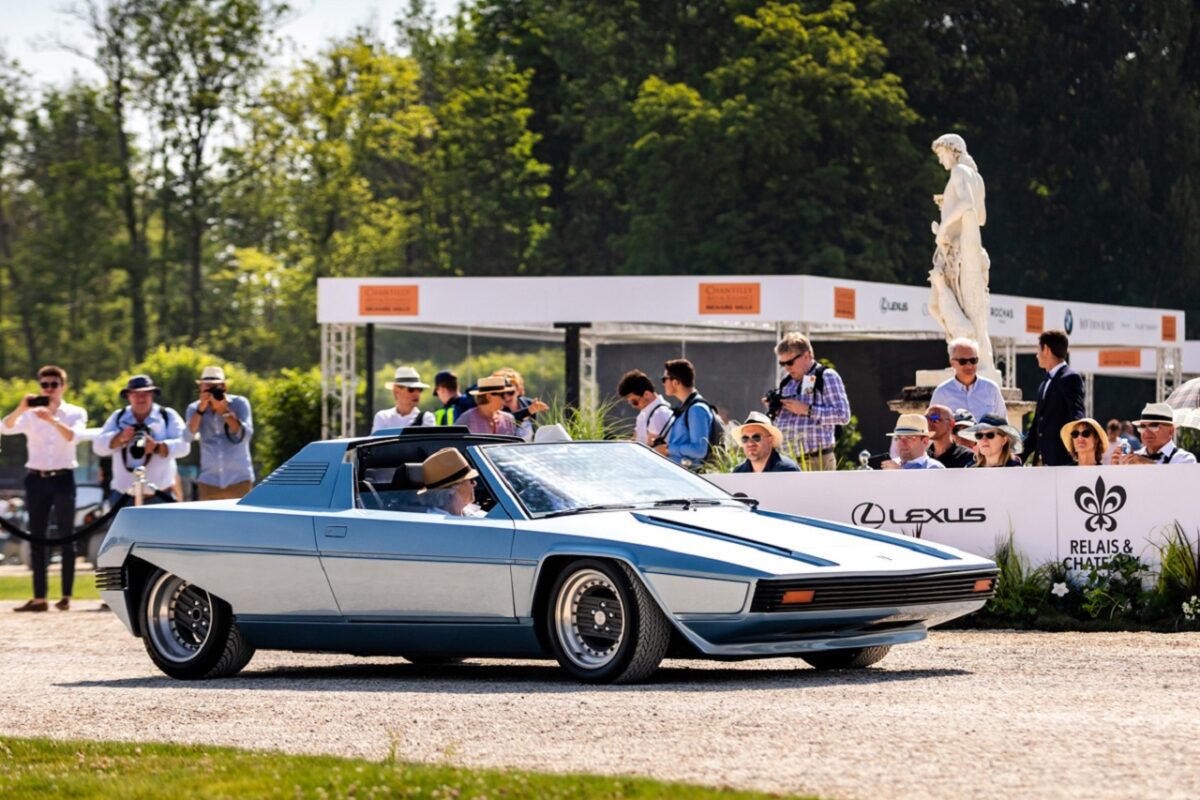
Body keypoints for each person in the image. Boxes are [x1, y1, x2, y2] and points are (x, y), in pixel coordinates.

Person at [1, 366, 87, 612]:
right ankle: (40, 597)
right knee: (36, 536)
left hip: (63, 478)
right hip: (36, 479)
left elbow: (74, 436)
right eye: (45, 385)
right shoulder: (30, 414)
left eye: (53, 384)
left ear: (63, 386)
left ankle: (66, 595)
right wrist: (21, 408)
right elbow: (5, 428)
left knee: (67, 535)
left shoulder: (75, 412)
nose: (49, 389)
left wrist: (52, 419)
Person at [927, 133, 995, 373]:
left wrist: (945, 225)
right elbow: (981, 218)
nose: (940, 160)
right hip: (969, 247)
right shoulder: (976, 177)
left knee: (947, 305)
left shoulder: (958, 171)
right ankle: (979, 360)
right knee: (972, 309)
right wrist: (947, 205)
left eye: (941, 154)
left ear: (952, 150)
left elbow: (967, 204)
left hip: (958, 249)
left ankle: (967, 357)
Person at [93, 375, 190, 502]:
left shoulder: (167, 415)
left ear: (152, 395)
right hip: (123, 497)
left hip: (159, 496)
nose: (141, 398)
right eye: (135, 394)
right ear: (128, 396)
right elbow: (98, 448)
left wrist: (157, 447)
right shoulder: (118, 416)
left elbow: (184, 447)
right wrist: (120, 437)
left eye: (146, 393)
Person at [770, 332, 851, 471]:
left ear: (806, 356)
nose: (786, 368)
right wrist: (775, 408)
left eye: (790, 362)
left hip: (816, 459)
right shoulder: (787, 381)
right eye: (782, 363)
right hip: (787, 461)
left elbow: (843, 415)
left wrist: (807, 410)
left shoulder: (826, 376)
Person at [185, 366, 255, 500]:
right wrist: (200, 410)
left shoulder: (239, 403)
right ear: (200, 388)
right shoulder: (194, 408)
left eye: (215, 387)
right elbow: (187, 436)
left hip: (239, 480)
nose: (211, 392)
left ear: (224, 387)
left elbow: (246, 436)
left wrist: (224, 411)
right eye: (207, 387)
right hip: (208, 482)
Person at [1024, 329, 1084, 466]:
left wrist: (1077, 455)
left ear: (1046, 349)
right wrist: (1018, 456)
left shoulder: (1071, 378)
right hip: (1041, 465)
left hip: (1063, 464)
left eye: (1038, 350)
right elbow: (1036, 428)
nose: (1036, 355)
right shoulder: (1044, 384)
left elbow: (1076, 417)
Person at [655, 358, 715, 468]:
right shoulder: (684, 407)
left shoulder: (696, 409)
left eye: (664, 379)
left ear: (675, 382)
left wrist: (668, 449)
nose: (663, 383)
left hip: (690, 474)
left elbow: (699, 450)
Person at [929, 337, 1006, 422]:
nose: (969, 365)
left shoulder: (991, 389)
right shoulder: (942, 392)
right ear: (952, 362)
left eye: (973, 360)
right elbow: (932, 420)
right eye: (963, 361)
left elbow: (1002, 422)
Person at [1118, 403, 1197, 465]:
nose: (1146, 432)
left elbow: (1177, 480)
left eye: (1153, 426)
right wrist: (1116, 468)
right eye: (1142, 426)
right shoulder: (1131, 459)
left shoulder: (1185, 459)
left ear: (1171, 431)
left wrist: (1146, 463)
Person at [417, 447, 485, 517]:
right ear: (452, 489)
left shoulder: (469, 512)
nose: (475, 483)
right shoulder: (435, 521)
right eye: (471, 480)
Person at [617, 369, 673, 447]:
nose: (633, 406)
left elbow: (656, 450)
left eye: (634, 401)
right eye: (630, 402)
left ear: (647, 394)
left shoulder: (659, 414)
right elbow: (636, 441)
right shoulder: (645, 413)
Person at [372, 366, 435, 433]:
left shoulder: (426, 418)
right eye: (411, 389)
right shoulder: (383, 417)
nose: (417, 394)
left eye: (419, 389)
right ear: (396, 391)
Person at [731, 412, 799, 473]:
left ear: (770, 440)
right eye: (745, 438)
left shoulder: (787, 470)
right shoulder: (738, 472)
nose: (750, 443)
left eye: (756, 437)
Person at [493, 368, 549, 441]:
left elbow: (535, 430)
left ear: (519, 390)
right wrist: (528, 411)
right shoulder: (496, 408)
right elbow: (507, 422)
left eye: (510, 392)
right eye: (502, 393)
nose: (506, 396)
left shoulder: (528, 403)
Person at [879, 414, 945, 470]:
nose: (902, 442)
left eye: (909, 438)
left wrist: (899, 472)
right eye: (898, 438)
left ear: (925, 441)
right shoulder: (887, 465)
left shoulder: (934, 468)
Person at [925, 404, 974, 468]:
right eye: (926, 419)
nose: (929, 424)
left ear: (951, 423)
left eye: (935, 419)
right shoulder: (923, 456)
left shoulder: (967, 456)